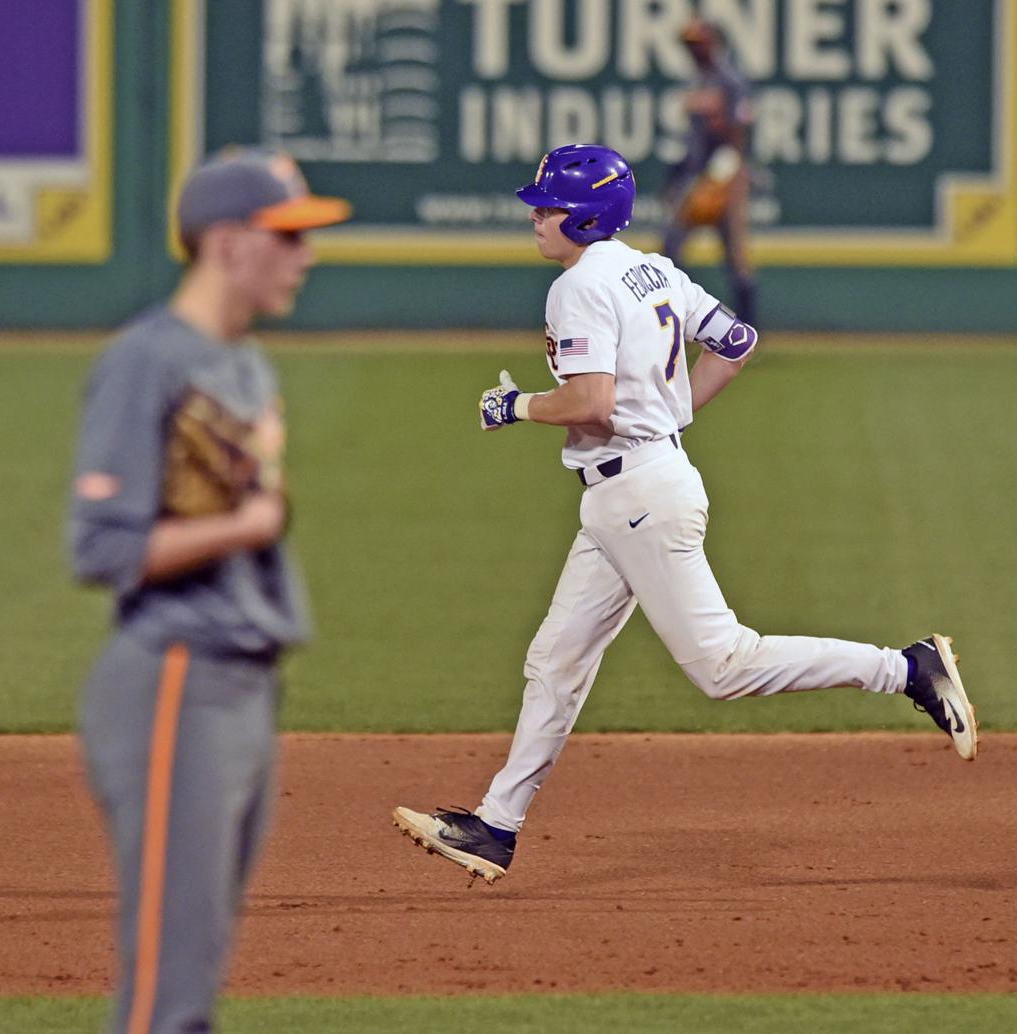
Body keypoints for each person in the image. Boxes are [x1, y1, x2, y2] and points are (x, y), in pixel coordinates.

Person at [392, 143, 977, 884]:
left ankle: (905, 668)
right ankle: (495, 828)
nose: (535, 217)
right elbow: (735, 343)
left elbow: (591, 402)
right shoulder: (653, 269)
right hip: (635, 490)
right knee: (556, 660)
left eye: (548, 207)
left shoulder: (578, 286)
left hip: (640, 497)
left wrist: (515, 405)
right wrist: (668, 421)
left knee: (724, 665)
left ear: (584, 217)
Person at [67, 147, 350, 1033]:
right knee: (171, 992)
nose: (305, 257)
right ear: (228, 244)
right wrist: (246, 525)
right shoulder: (145, 360)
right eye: (287, 237)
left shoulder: (249, 366)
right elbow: (101, 544)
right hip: (175, 676)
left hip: (247, 681)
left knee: (199, 970)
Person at [662, 17, 758, 323]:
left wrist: (724, 173)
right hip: (694, 174)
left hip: (725, 175)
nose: (693, 50)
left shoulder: (729, 79)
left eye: (698, 44)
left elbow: (740, 128)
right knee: (671, 246)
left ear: (713, 43)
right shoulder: (699, 79)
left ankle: (747, 327)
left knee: (735, 252)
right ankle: (676, 319)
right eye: (689, 45)